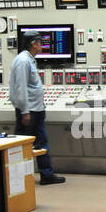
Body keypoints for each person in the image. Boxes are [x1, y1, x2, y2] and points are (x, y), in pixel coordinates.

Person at [10, 33, 65, 185]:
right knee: (22, 145)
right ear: (34, 44)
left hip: (36, 110)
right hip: (29, 111)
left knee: (42, 142)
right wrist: (25, 111)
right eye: (41, 42)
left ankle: (46, 175)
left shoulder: (29, 60)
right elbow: (20, 88)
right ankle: (18, 178)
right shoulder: (22, 61)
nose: (42, 45)